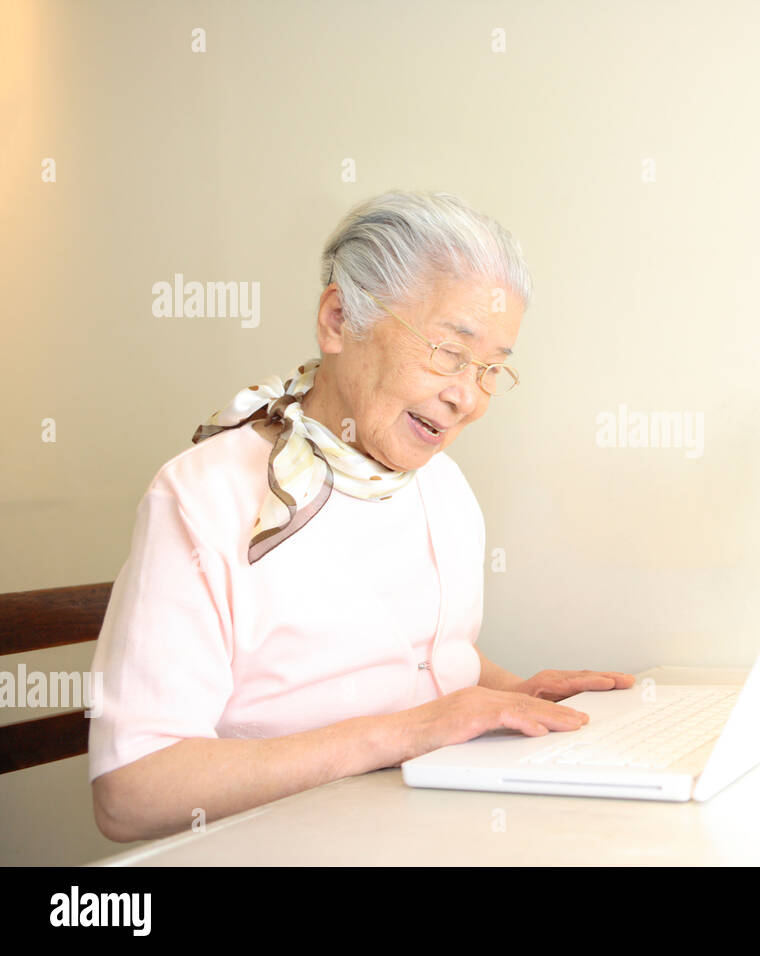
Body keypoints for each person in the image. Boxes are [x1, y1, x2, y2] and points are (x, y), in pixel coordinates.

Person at [90, 191, 633, 842]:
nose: (467, 398)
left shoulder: (444, 486)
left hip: (438, 834)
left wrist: (512, 694)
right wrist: (410, 733)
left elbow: (408, 658)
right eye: (448, 352)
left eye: (491, 370)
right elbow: (132, 790)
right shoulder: (203, 496)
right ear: (339, 318)